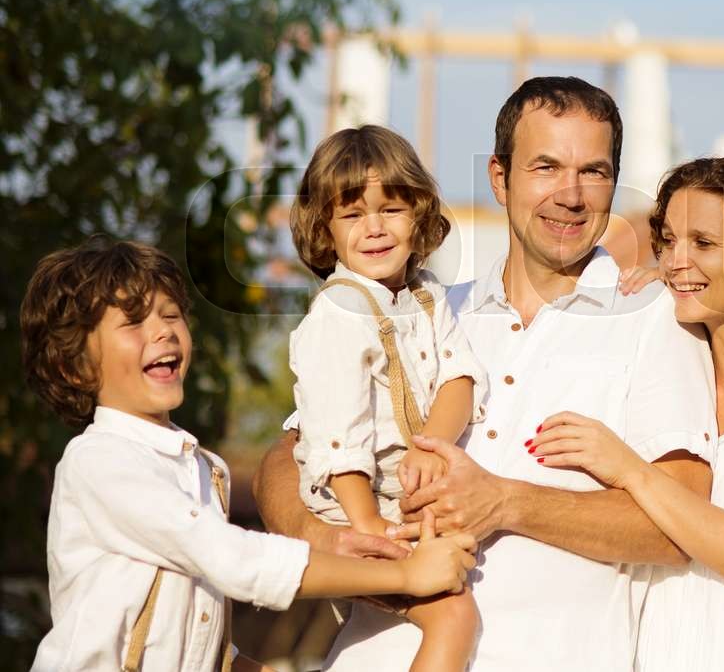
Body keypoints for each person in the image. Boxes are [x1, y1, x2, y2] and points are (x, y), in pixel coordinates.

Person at [253, 77, 717, 671]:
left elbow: (683, 529)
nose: (571, 195)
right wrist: (315, 537)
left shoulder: (655, 318)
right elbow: (286, 455)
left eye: (594, 172)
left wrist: (505, 503)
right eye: (545, 167)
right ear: (500, 178)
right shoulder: (429, 310)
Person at [22, 237, 476, 672]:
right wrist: (407, 576)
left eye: (172, 314)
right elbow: (233, 560)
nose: (164, 331)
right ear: (73, 366)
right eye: (134, 322)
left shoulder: (202, 468)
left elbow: (196, 636)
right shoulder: (99, 461)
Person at [530, 156, 724, 671]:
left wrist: (630, 469)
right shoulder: (668, 366)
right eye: (668, 241)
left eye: (704, 243)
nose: (675, 260)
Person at [286, 124, 488, 671]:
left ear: (418, 216)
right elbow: (337, 439)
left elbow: (459, 379)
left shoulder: (426, 298)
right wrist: (367, 524)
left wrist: (430, 445)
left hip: (401, 494)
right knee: (454, 615)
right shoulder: (337, 315)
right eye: (352, 215)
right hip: (352, 501)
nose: (374, 229)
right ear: (326, 229)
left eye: (391, 210)